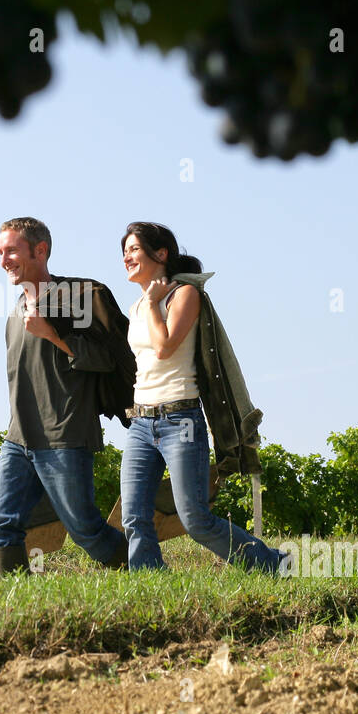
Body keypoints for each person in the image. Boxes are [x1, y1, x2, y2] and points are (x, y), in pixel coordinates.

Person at [119, 221, 284, 572]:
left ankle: (272, 564)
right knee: (134, 517)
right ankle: (149, 583)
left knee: (194, 518)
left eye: (133, 249)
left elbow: (164, 347)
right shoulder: (136, 307)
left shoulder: (184, 295)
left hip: (180, 420)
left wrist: (151, 304)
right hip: (141, 422)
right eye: (125, 251)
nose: (126, 257)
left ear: (160, 254)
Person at [0, 217, 133, 576]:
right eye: (0, 252)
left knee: (85, 530)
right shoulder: (16, 309)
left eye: (12, 250)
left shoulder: (77, 297)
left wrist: (52, 334)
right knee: (0, 520)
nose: (4, 260)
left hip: (64, 436)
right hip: (19, 437)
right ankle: (13, 601)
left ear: (41, 250)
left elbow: (109, 358)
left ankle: (146, 571)